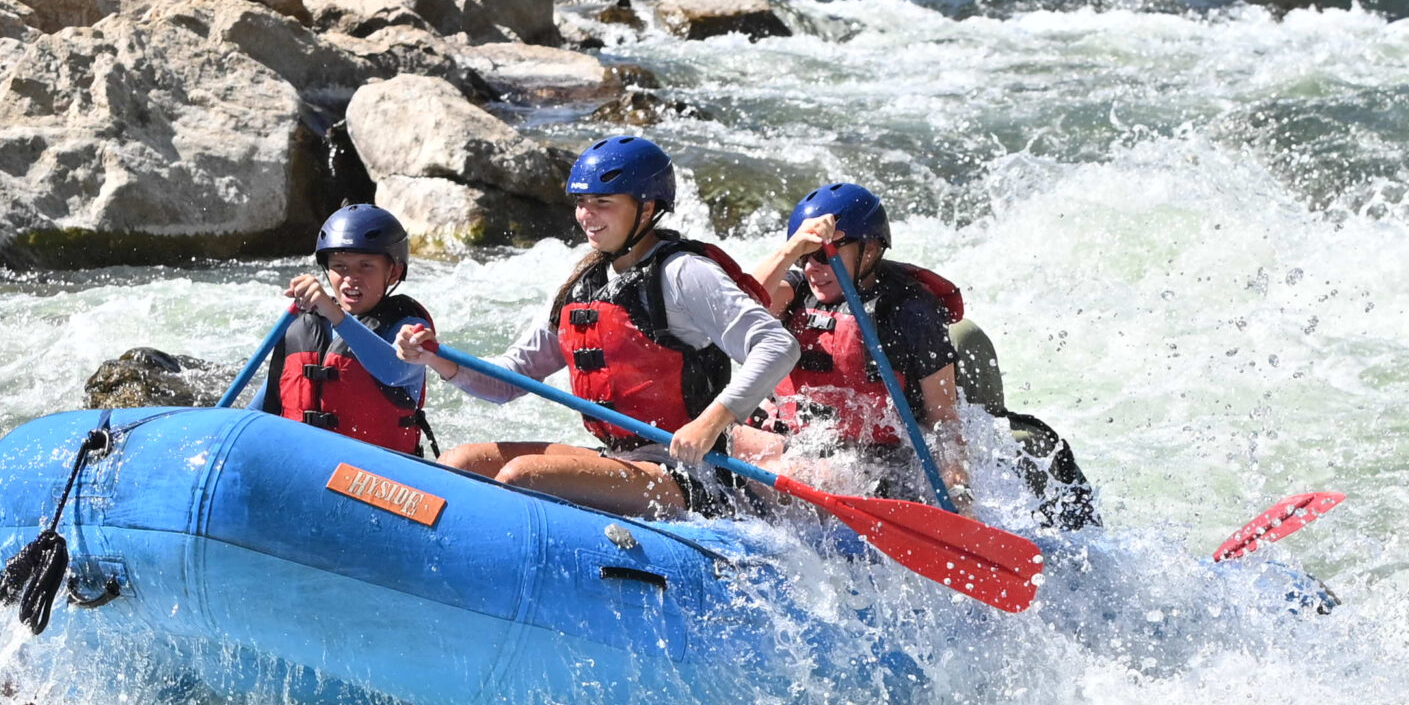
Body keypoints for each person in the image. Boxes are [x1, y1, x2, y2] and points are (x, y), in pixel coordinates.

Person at [396, 136, 797, 518]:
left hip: (688, 473)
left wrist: (710, 423)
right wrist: (437, 358)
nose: (586, 216)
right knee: (459, 462)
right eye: (582, 203)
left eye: (602, 203)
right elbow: (509, 380)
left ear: (646, 207)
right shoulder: (584, 284)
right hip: (618, 459)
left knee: (523, 476)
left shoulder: (682, 272)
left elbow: (777, 345)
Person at [741, 182, 975, 501]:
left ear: (871, 251)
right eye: (803, 255)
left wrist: (958, 492)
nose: (812, 267)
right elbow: (742, 306)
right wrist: (788, 250)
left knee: (799, 475)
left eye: (823, 254)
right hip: (793, 446)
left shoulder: (911, 312)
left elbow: (943, 419)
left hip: (875, 468)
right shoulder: (794, 293)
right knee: (719, 434)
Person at [260, 204, 438, 457]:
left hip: (379, 479)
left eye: (365, 266)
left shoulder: (407, 327)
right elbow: (263, 408)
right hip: (302, 467)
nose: (350, 278)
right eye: (340, 266)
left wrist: (335, 314)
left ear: (394, 271)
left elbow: (393, 371)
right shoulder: (304, 327)